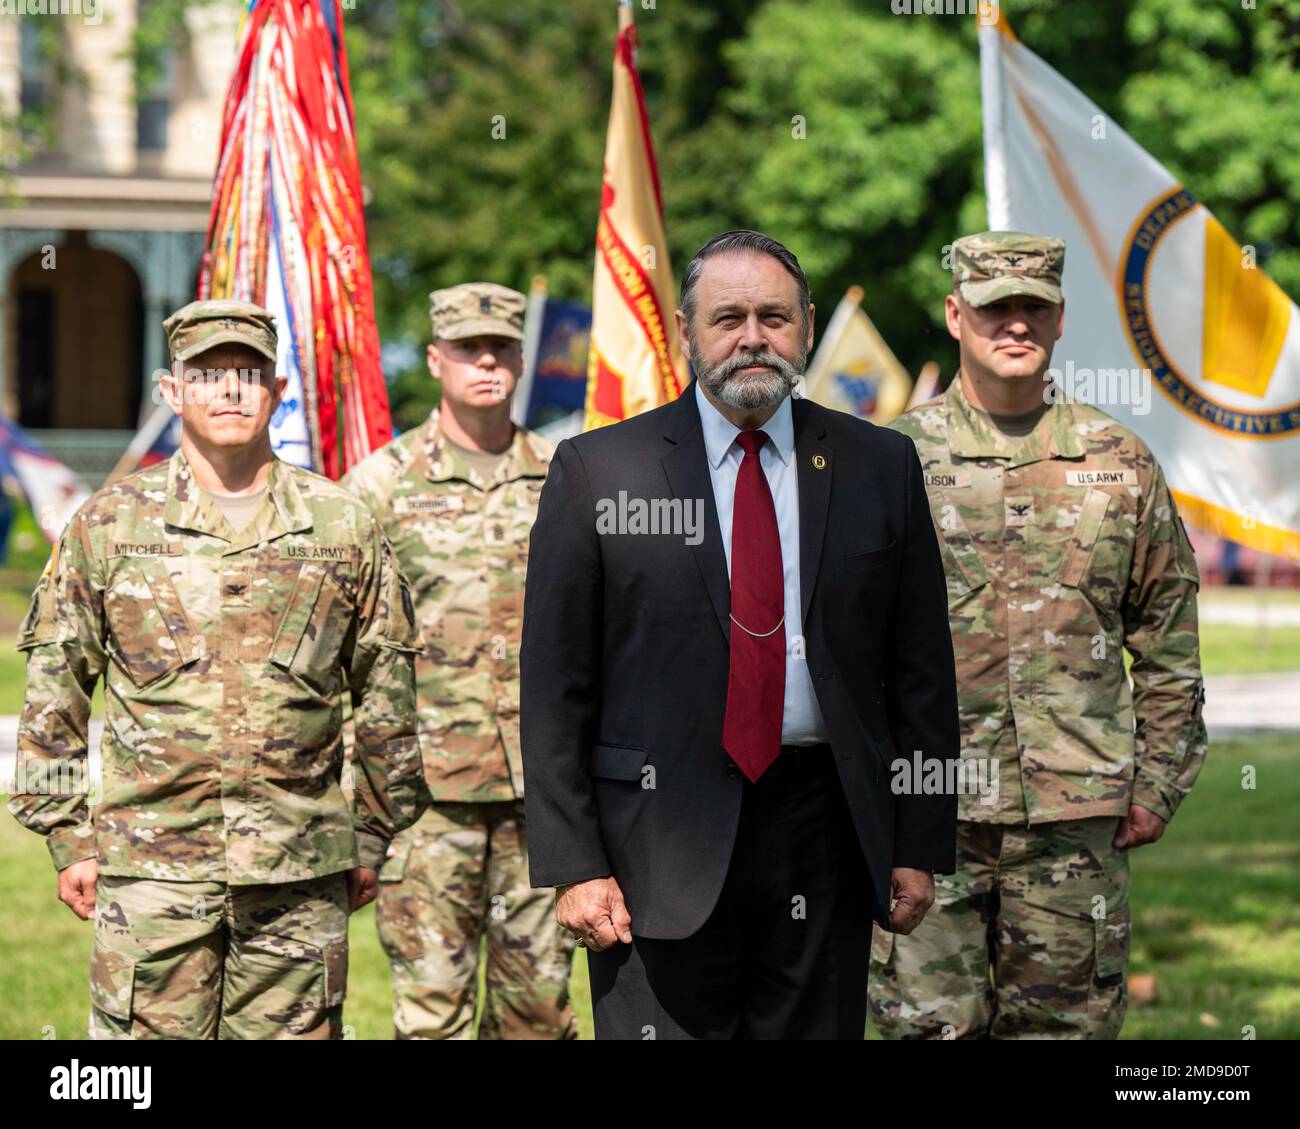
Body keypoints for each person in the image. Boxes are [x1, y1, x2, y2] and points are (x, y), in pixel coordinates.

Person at [520, 230, 959, 1040]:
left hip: (825, 831)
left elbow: (922, 672)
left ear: (808, 325)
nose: (752, 336)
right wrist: (575, 862)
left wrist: (920, 838)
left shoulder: (880, 465)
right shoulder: (598, 470)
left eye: (773, 316)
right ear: (687, 331)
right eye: (728, 318)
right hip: (654, 842)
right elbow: (554, 688)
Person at [8, 299, 426, 1040]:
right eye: (207, 374)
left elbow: (387, 694)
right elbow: (55, 691)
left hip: (299, 873)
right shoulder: (110, 523)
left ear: (277, 389)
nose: (229, 390)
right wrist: (67, 835)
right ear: (172, 392)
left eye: (247, 373)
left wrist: (370, 834)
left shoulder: (343, 524)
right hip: (151, 875)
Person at [873, 231, 1208, 1039]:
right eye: (995, 308)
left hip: (1072, 828)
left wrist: (1159, 782)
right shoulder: (889, 460)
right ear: (957, 315)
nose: (1015, 324)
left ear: (1060, 320)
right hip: (927, 818)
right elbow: (844, 644)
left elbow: (1167, 638)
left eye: (1034, 307)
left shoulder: (1117, 461)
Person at [343, 283, 576, 1039]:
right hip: (424, 799)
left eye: (502, 347)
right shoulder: (379, 485)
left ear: (520, 357)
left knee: (539, 1012)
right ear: (436, 358)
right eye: (469, 348)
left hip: (542, 794)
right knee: (432, 1012)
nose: (487, 361)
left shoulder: (568, 474)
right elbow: (340, 640)